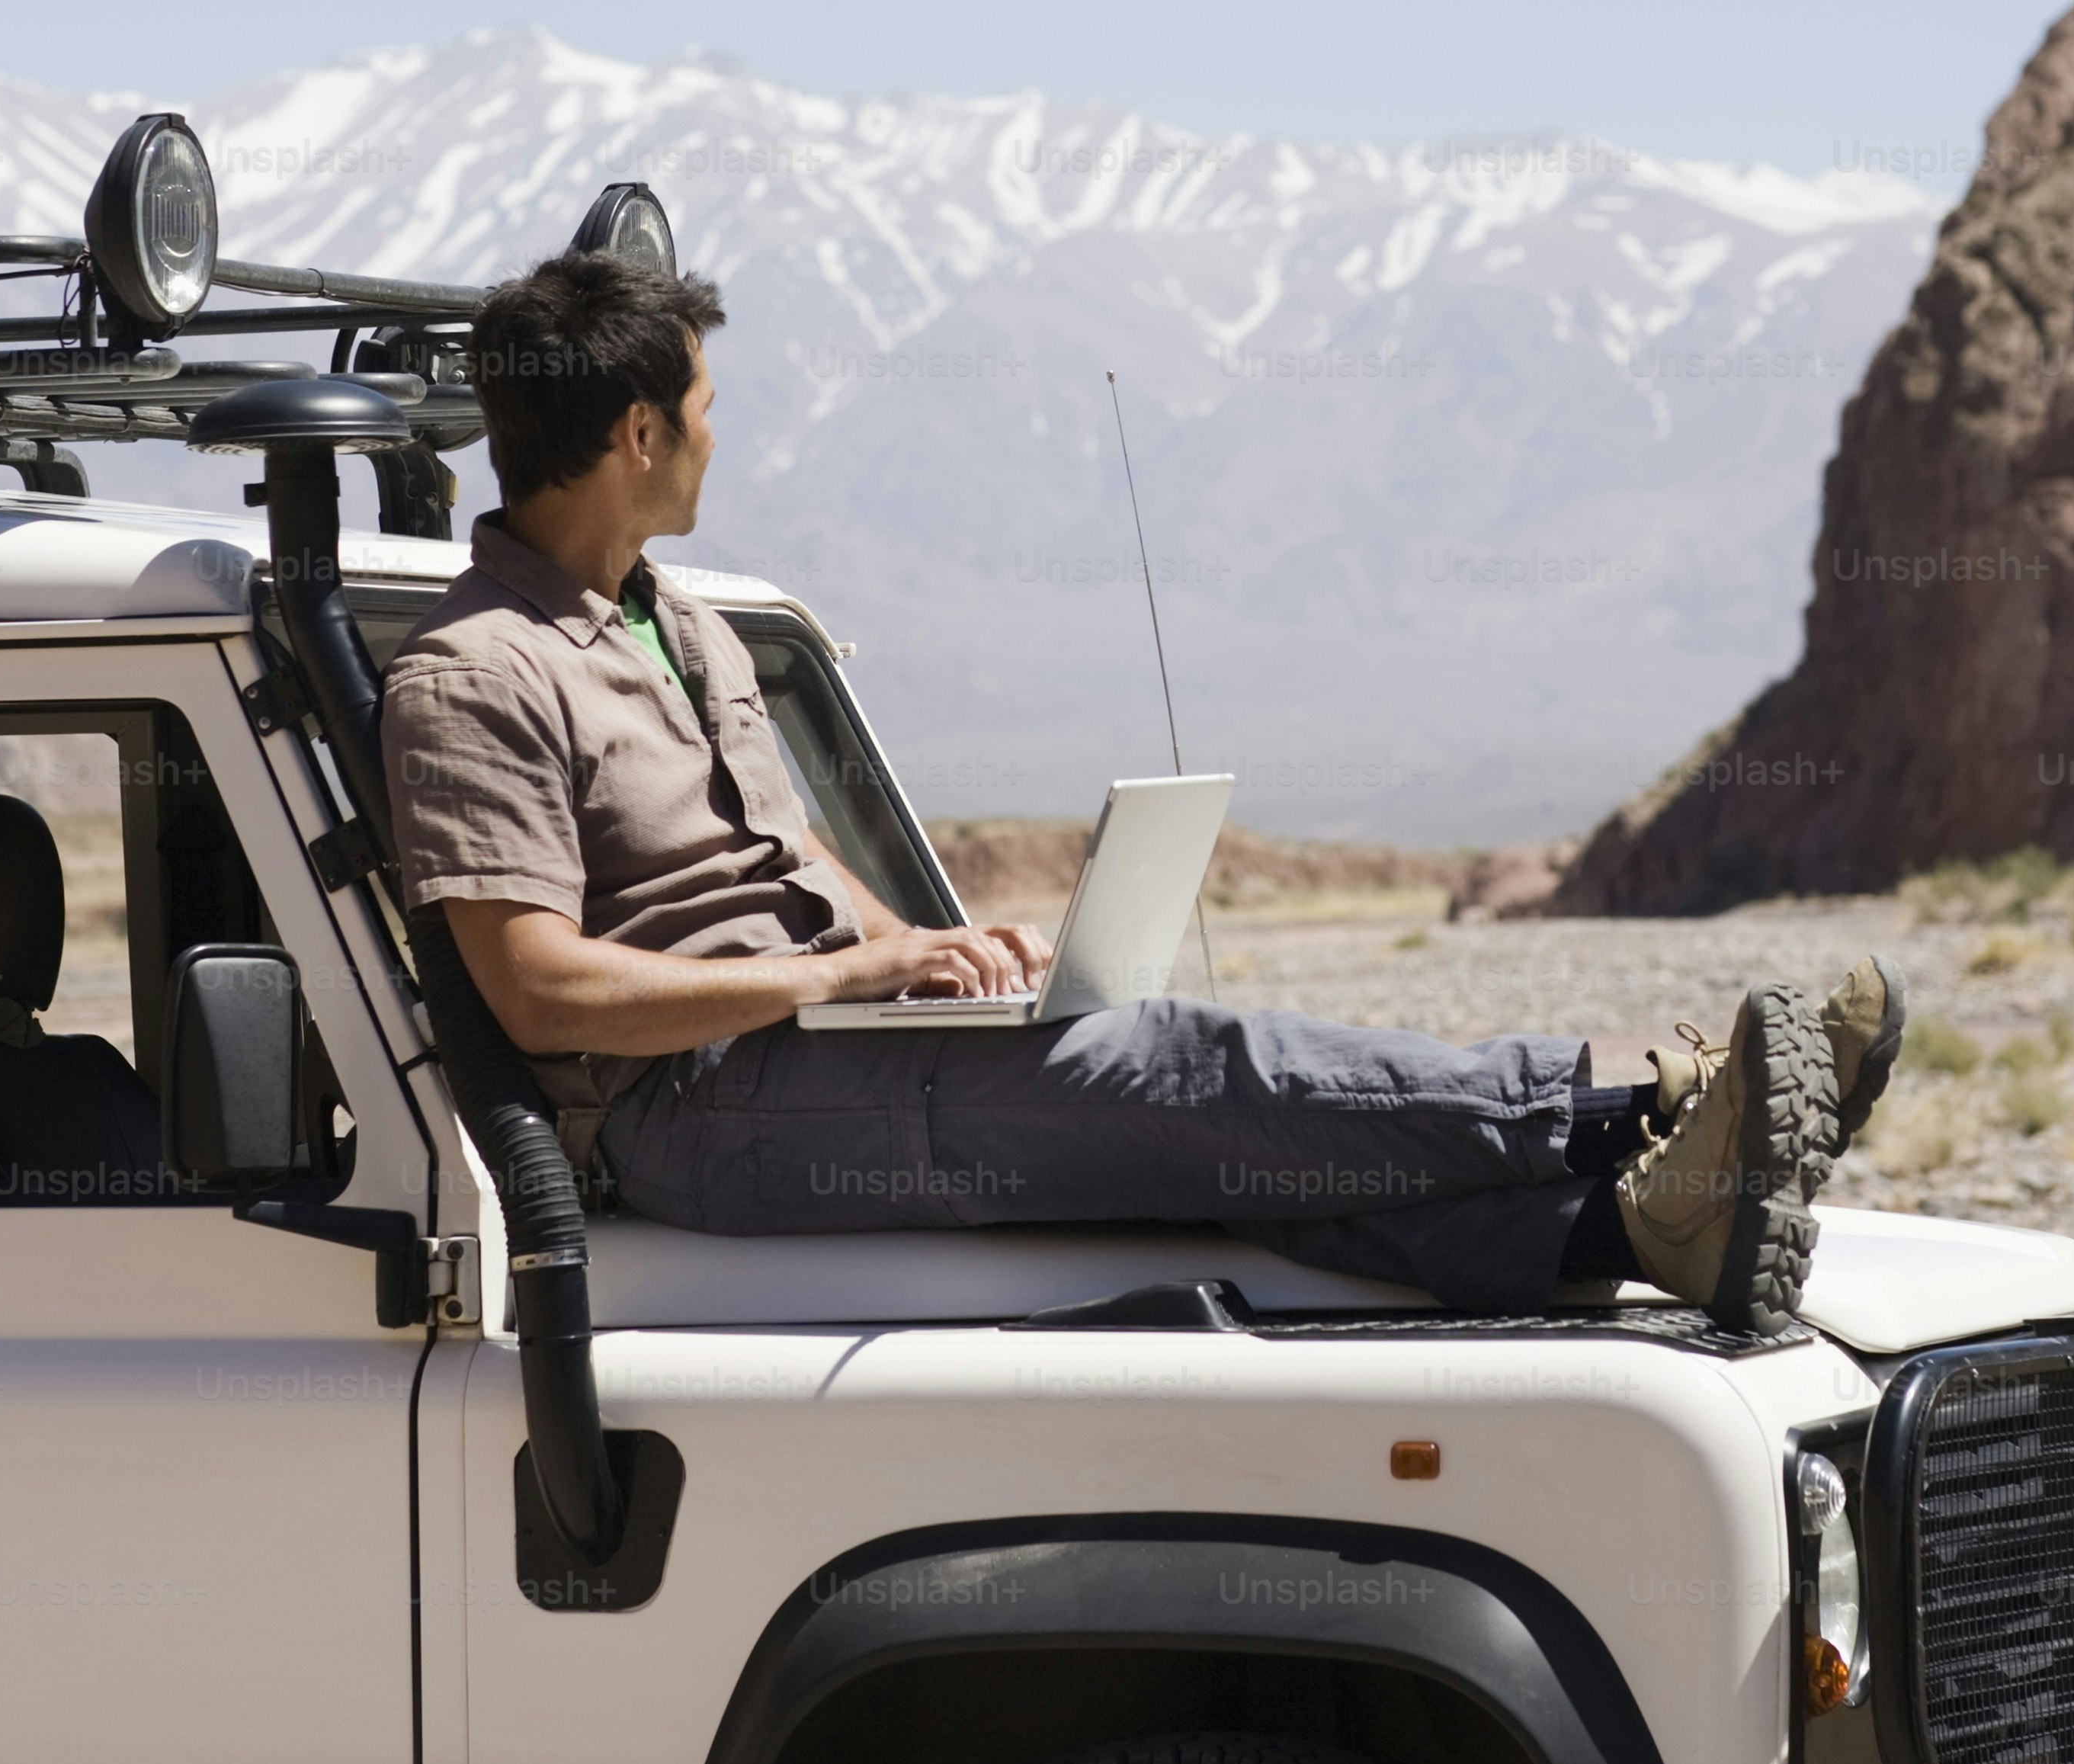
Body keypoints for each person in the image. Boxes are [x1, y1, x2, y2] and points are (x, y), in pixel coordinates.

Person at [377, 251, 1906, 1330]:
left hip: (814, 1037)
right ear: (638, 432)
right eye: (704, 406)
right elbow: (538, 989)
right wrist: (840, 973)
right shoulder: (476, 675)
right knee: (1180, 1064)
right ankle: (1633, 1109)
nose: (719, 430)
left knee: (1215, 1160)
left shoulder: (684, 617)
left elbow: (792, 865)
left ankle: (1631, 1227)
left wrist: (937, 951)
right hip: (686, 1110)